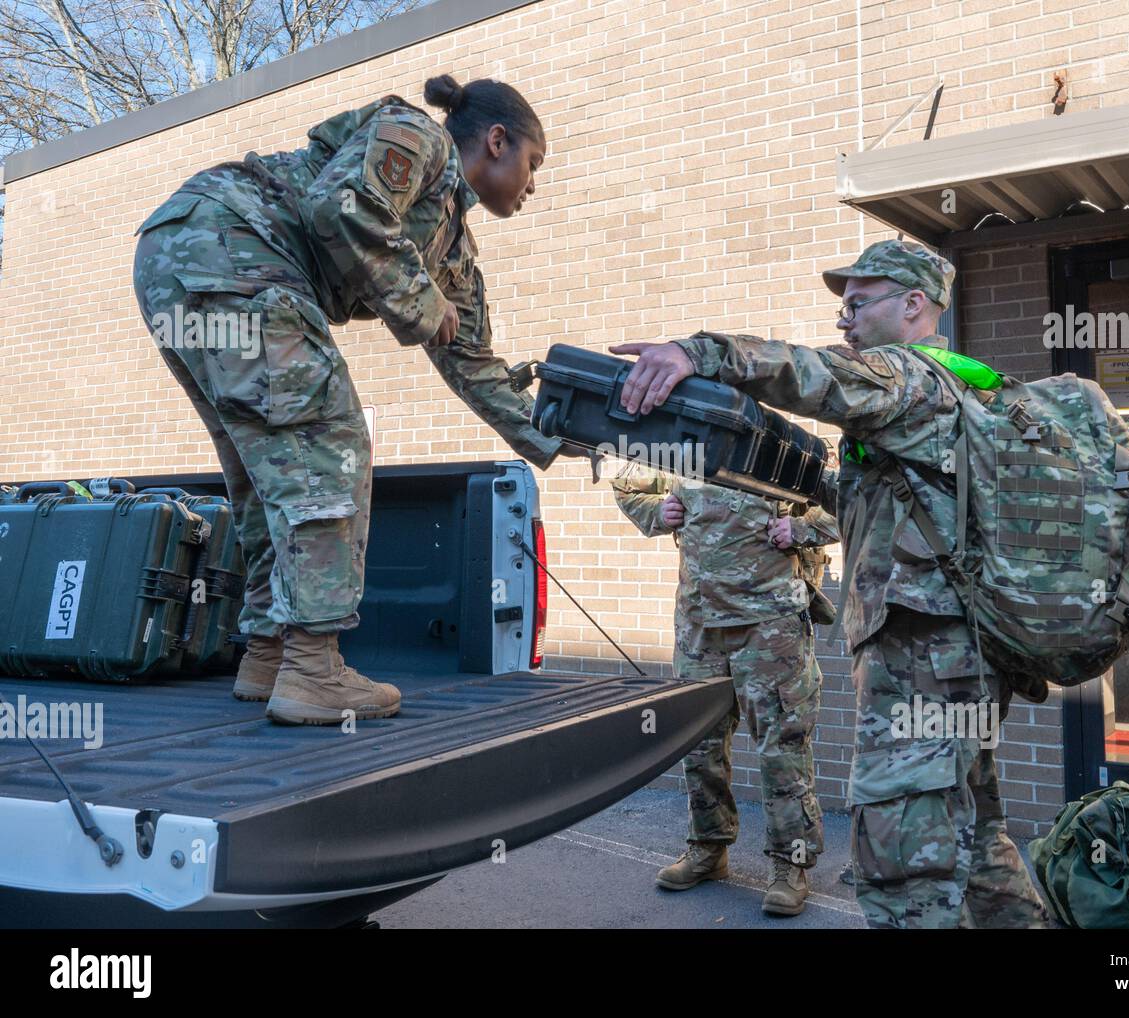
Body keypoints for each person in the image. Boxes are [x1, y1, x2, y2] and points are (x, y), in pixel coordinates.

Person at [608, 239, 1052, 929]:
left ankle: (797, 864)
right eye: (840, 306)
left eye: (857, 302)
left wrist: (701, 353)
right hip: (945, 654)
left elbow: (810, 375)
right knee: (971, 826)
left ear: (914, 305)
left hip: (925, 661)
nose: (843, 319)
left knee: (910, 849)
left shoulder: (906, 375)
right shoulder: (955, 387)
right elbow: (873, 502)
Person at [132, 74, 583, 725]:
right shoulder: (420, 137)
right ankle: (314, 671)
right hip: (225, 242)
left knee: (270, 473)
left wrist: (569, 436)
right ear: (495, 140)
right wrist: (423, 304)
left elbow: (477, 369)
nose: (533, 183)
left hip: (187, 268)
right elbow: (341, 207)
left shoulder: (452, 255)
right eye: (532, 164)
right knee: (331, 445)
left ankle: (270, 653)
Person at [611, 463, 838, 916]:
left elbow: (854, 497)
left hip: (769, 626)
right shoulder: (682, 448)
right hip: (698, 625)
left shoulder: (780, 448)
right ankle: (708, 850)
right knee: (699, 745)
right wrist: (660, 512)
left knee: (782, 749)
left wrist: (801, 528)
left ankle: (790, 865)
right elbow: (625, 483)